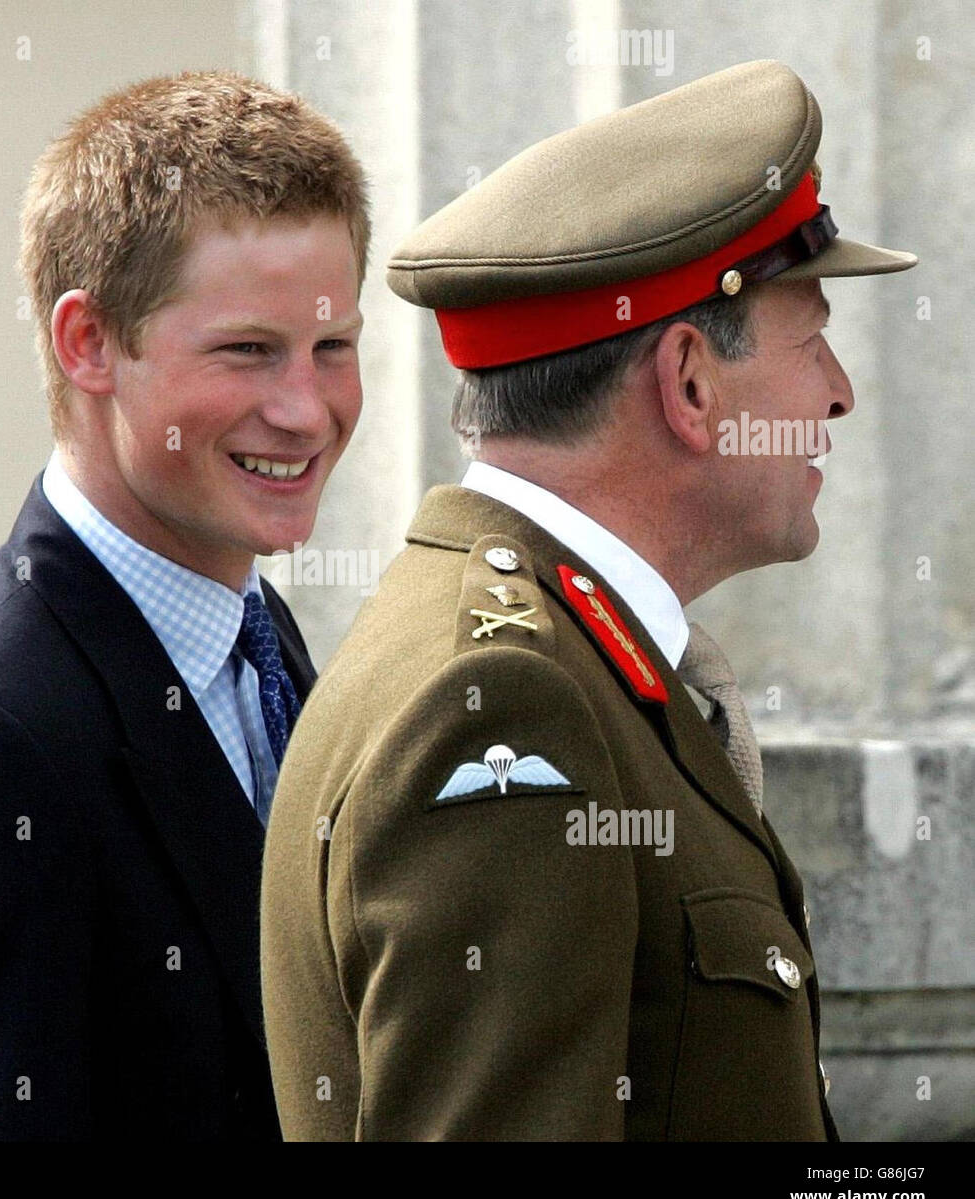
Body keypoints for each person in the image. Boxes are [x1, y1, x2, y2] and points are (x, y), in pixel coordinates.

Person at [260, 59, 915, 1141]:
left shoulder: (537, 651)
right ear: (691, 383)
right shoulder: (502, 701)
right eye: (812, 341)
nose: (839, 390)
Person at [0, 70, 369, 1140]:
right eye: (248, 349)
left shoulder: (261, 646)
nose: (308, 409)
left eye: (332, 346)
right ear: (88, 344)